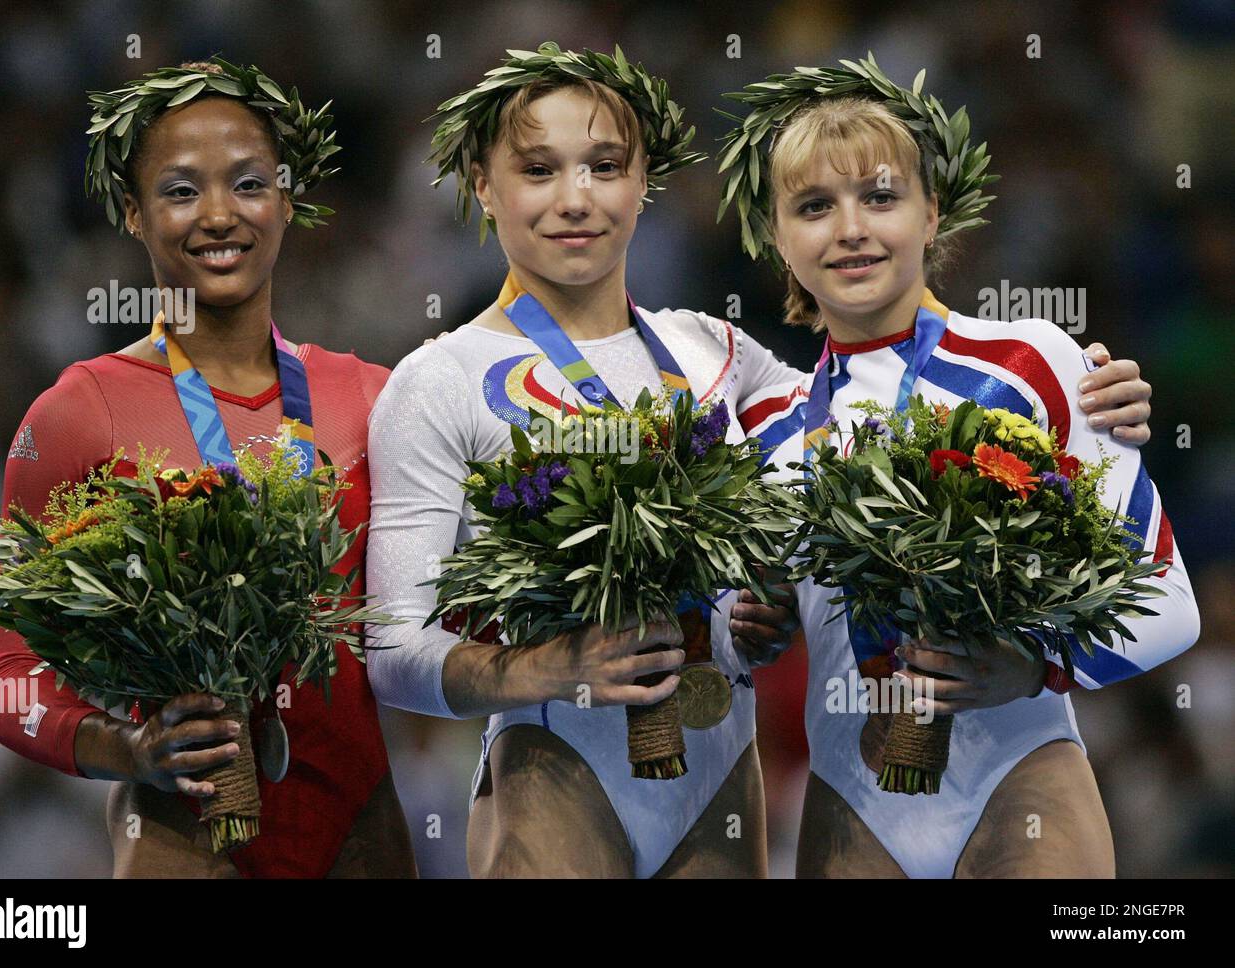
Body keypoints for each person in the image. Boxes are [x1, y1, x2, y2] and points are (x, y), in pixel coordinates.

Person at [364, 43, 1153, 878]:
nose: (576, 198)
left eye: (604, 165)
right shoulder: (434, 382)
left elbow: (872, 407)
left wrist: (1083, 391)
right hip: (555, 774)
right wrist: (554, 666)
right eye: (537, 170)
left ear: (644, 185)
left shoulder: (718, 353)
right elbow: (396, 656)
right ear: (483, 186)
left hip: (720, 795)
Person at [719, 56, 1199, 877]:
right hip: (853, 808)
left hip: (1022, 784)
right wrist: (743, 630)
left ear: (932, 212)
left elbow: (1167, 604)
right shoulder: (766, 425)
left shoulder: (1034, 361)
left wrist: (1030, 665)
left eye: (880, 196)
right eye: (813, 207)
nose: (851, 228)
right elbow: (740, 633)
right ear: (777, 240)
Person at [0, 59, 415, 877]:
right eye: (181, 191)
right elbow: (8, 682)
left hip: (361, 835)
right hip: (178, 837)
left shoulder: (372, 399)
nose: (219, 216)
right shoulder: (80, 414)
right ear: (133, 213)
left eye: (248, 184)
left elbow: (435, 626)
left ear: (288, 199)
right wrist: (130, 748)